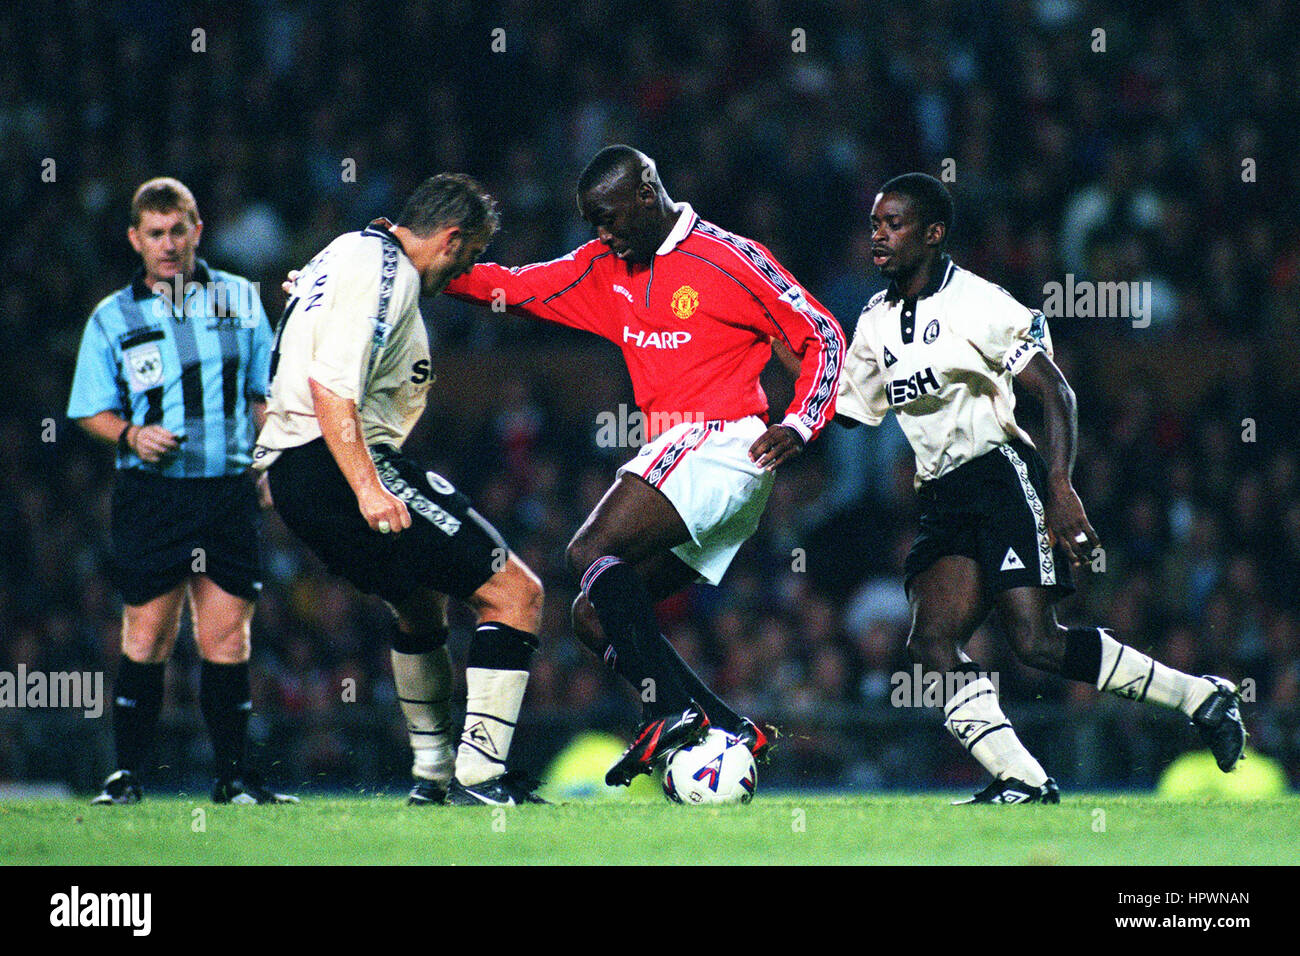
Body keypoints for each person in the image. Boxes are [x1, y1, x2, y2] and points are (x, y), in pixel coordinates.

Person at [835, 173, 1246, 804]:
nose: (879, 237)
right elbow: (842, 408)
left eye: (894, 224)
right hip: (941, 495)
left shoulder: (980, 303)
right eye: (874, 226)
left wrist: (1059, 485)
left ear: (934, 233)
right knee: (932, 642)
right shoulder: (873, 322)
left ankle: (1199, 696)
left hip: (999, 474)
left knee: (1035, 641)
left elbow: (1057, 390)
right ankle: (1022, 778)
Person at [445, 145, 845, 785]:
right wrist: (425, 267)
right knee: (591, 615)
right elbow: (514, 287)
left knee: (588, 549)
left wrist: (802, 421)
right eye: (591, 222)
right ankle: (726, 724)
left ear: (646, 191)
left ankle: (669, 710)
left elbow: (820, 332)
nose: (601, 232)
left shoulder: (728, 257)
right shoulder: (602, 267)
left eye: (608, 216)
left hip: (722, 443)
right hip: (684, 459)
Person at [254, 173, 547, 806]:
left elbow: (287, 357)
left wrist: (271, 466)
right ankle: (482, 777)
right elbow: (333, 386)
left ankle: (432, 774)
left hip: (296, 471)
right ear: (450, 239)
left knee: (418, 603)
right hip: (338, 461)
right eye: (468, 258)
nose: (461, 274)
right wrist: (366, 487)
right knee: (516, 593)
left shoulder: (339, 253)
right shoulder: (388, 272)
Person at [68, 177, 294, 805]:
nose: (168, 244)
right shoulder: (112, 317)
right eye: (156, 233)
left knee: (227, 637)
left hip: (225, 491)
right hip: (152, 495)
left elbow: (260, 395)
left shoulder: (242, 299)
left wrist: (270, 463)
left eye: (179, 230)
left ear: (198, 230)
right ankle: (128, 777)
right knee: (147, 634)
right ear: (136, 239)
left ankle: (233, 779)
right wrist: (132, 436)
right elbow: (90, 409)